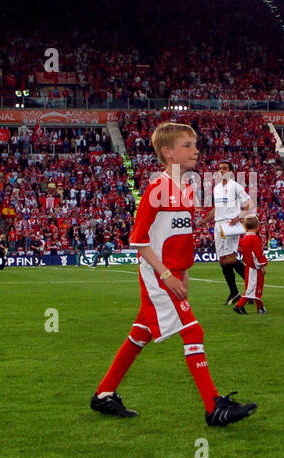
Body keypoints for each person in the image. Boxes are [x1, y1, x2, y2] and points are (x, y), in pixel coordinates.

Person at [89, 122, 255, 427]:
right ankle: (213, 407)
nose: (196, 150)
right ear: (167, 152)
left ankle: (104, 393)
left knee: (140, 333)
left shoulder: (187, 190)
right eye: (187, 145)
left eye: (195, 144)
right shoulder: (157, 189)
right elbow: (138, 240)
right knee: (193, 331)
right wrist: (166, 274)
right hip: (157, 274)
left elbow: (182, 238)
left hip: (172, 273)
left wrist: (184, 273)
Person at [209, 161, 255, 305]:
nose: (221, 171)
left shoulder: (235, 186)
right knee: (222, 260)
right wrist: (205, 219)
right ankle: (234, 293)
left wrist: (239, 217)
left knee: (230, 259)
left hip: (230, 224)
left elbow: (249, 203)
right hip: (218, 224)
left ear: (231, 172)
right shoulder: (217, 188)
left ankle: (251, 289)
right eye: (219, 169)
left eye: (224, 168)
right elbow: (216, 208)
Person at [232, 216, 268, 314]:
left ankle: (260, 307)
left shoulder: (245, 238)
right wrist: (262, 266)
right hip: (254, 267)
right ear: (257, 226)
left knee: (253, 287)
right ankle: (239, 306)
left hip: (249, 266)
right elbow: (257, 254)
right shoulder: (255, 239)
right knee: (252, 288)